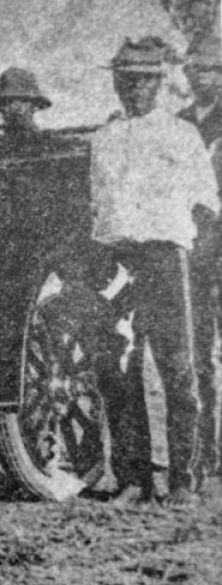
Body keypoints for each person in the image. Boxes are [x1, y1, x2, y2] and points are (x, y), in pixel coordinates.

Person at [92, 37, 220, 505]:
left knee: (178, 368)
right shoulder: (103, 139)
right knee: (119, 367)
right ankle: (133, 477)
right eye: (126, 80)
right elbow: (97, 208)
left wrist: (192, 262)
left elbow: (207, 207)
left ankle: (183, 479)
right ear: (115, 82)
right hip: (119, 260)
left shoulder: (181, 135)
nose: (134, 89)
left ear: (160, 82)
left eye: (144, 80)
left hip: (169, 258)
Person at [178, 30, 222, 488]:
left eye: (210, 68)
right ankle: (207, 452)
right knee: (199, 357)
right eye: (194, 69)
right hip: (197, 251)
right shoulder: (180, 123)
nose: (201, 76)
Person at [0, 67, 82, 164]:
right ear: (1, 108)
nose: (13, 107)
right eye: (7, 102)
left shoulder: (53, 146)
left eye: (22, 101)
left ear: (34, 105)